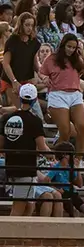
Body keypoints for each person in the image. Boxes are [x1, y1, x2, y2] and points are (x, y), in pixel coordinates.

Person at [3, 84, 50, 216]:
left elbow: (1, 143)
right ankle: (8, 236)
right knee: (18, 208)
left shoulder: (6, 118)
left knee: (29, 205)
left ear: (20, 97)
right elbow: (42, 147)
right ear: (35, 100)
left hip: (10, 166)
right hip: (26, 168)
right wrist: (52, 155)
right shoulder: (35, 120)